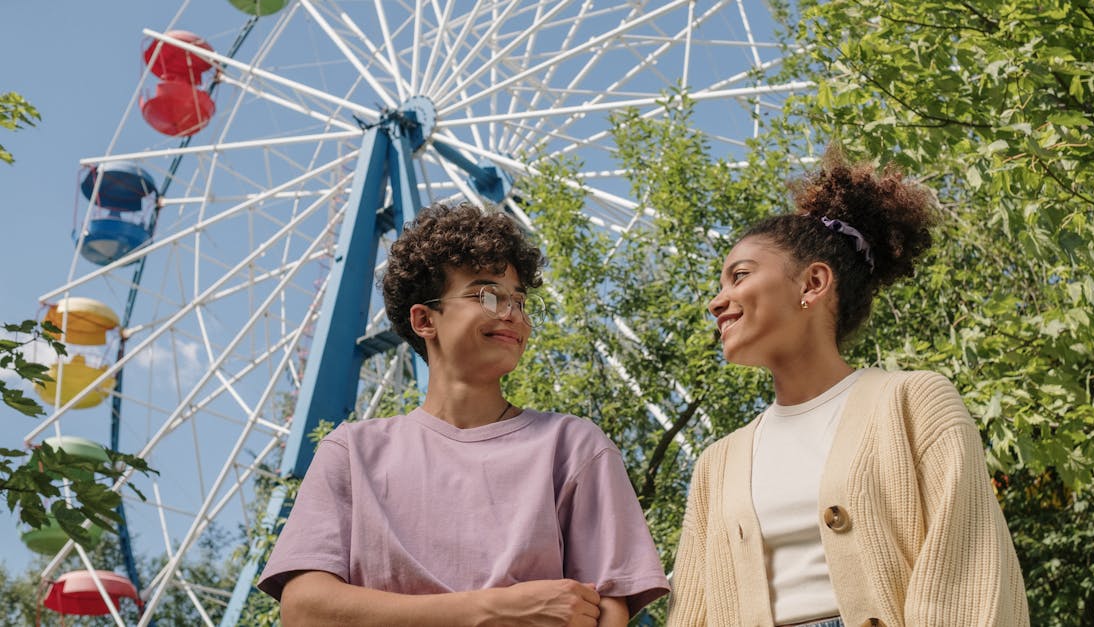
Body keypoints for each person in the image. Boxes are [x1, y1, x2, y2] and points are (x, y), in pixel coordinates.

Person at [258, 201, 669, 626]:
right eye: (487, 295)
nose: (513, 314)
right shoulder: (351, 452)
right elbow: (305, 610)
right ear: (424, 320)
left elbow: (607, 611)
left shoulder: (575, 447)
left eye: (521, 302)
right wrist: (493, 610)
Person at [667, 149, 1029, 627]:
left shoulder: (914, 403)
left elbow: (968, 574)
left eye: (740, 275)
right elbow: (692, 613)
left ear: (813, 283)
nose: (717, 301)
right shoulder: (717, 463)